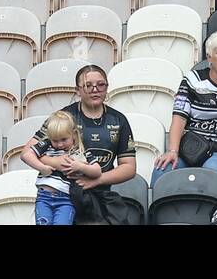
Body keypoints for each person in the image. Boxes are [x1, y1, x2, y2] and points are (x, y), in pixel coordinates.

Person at [153, 30, 217, 179]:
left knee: (212, 168)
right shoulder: (192, 79)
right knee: (162, 169)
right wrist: (173, 151)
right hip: (193, 148)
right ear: (209, 57)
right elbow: (179, 118)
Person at [26, 63, 138, 200]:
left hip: (102, 196)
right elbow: (28, 152)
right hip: (63, 195)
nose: (95, 89)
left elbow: (129, 167)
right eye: (88, 85)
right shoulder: (63, 116)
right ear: (78, 90)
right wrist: (55, 163)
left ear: (107, 87)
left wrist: (98, 179)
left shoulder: (118, 120)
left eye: (101, 84)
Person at [21, 109, 92, 225]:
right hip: (44, 197)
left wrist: (80, 167)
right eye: (55, 140)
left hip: (66, 199)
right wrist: (41, 167)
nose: (59, 144)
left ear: (73, 134)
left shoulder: (79, 151)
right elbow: (26, 155)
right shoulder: (47, 145)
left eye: (64, 139)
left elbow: (96, 171)